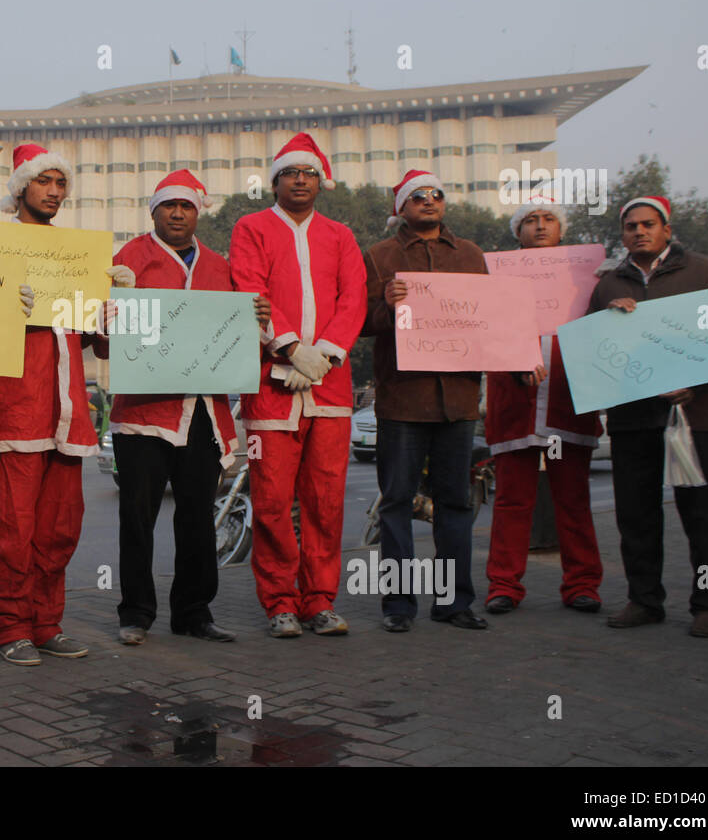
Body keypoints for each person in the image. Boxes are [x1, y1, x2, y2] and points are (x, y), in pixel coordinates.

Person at [0, 142, 132, 665]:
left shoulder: (78, 257)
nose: (55, 192)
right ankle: (10, 626)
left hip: (70, 413)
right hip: (16, 409)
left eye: (62, 184)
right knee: (14, 530)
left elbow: (94, 342)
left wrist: (114, 308)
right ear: (21, 186)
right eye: (45, 182)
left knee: (60, 530)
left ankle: (46, 622)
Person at [110, 170, 269, 645]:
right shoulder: (124, 261)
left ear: (198, 212)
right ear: (153, 210)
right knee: (137, 517)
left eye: (187, 206)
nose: (178, 214)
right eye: (169, 205)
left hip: (203, 412)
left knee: (198, 516)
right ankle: (136, 613)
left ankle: (195, 612)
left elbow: (240, 342)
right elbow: (100, 343)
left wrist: (256, 320)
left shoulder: (221, 268)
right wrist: (104, 318)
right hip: (143, 414)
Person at [588, 196, 708, 637]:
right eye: (630, 226)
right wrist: (608, 321)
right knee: (636, 516)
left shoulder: (704, 272)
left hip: (694, 418)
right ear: (622, 234)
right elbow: (591, 352)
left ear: (666, 228)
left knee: (701, 516)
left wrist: (697, 382)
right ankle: (644, 600)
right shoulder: (606, 285)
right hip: (631, 418)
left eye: (647, 224)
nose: (639, 232)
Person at [229, 133, 367, 638]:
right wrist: (289, 347)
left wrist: (325, 355)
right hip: (270, 388)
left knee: (325, 502)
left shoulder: (341, 235)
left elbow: (354, 298)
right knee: (269, 501)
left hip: (329, 389)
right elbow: (249, 288)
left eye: (308, 173)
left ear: (320, 181)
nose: (300, 181)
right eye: (291, 173)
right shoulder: (251, 228)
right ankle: (280, 601)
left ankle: (319, 601)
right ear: (276, 180)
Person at [361, 170, 490, 633]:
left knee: (455, 503)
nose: (429, 201)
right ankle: (398, 605)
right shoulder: (380, 257)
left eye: (437, 194)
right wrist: (386, 307)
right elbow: (360, 324)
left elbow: (491, 319)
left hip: (457, 399)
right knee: (396, 502)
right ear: (401, 206)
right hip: (402, 401)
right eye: (418, 196)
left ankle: (455, 602)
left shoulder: (473, 256)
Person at [483, 199, 602, 615]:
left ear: (561, 229)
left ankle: (582, 584)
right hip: (515, 403)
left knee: (573, 499)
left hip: (570, 402)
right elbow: (483, 331)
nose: (539, 226)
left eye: (547, 219)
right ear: (517, 232)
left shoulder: (587, 276)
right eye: (529, 220)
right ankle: (504, 584)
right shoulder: (497, 276)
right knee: (512, 501)